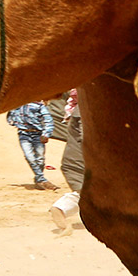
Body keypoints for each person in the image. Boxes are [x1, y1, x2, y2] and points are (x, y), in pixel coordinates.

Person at [49, 90, 86, 233]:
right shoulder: (85, 111)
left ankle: (62, 208)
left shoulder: (78, 110)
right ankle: (61, 208)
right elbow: (88, 138)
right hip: (82, 162)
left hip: (77, 162)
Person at [5, 100, 56, 190]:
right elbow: (9, 116)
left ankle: (39, 180)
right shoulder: (17, 105)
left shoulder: (39, 106)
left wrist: (46, 134)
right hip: (23, 134)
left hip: (38, 134)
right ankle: (42, 179)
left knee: (40, 159)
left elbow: (49, 121)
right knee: (29, 157)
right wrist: (14, 122)